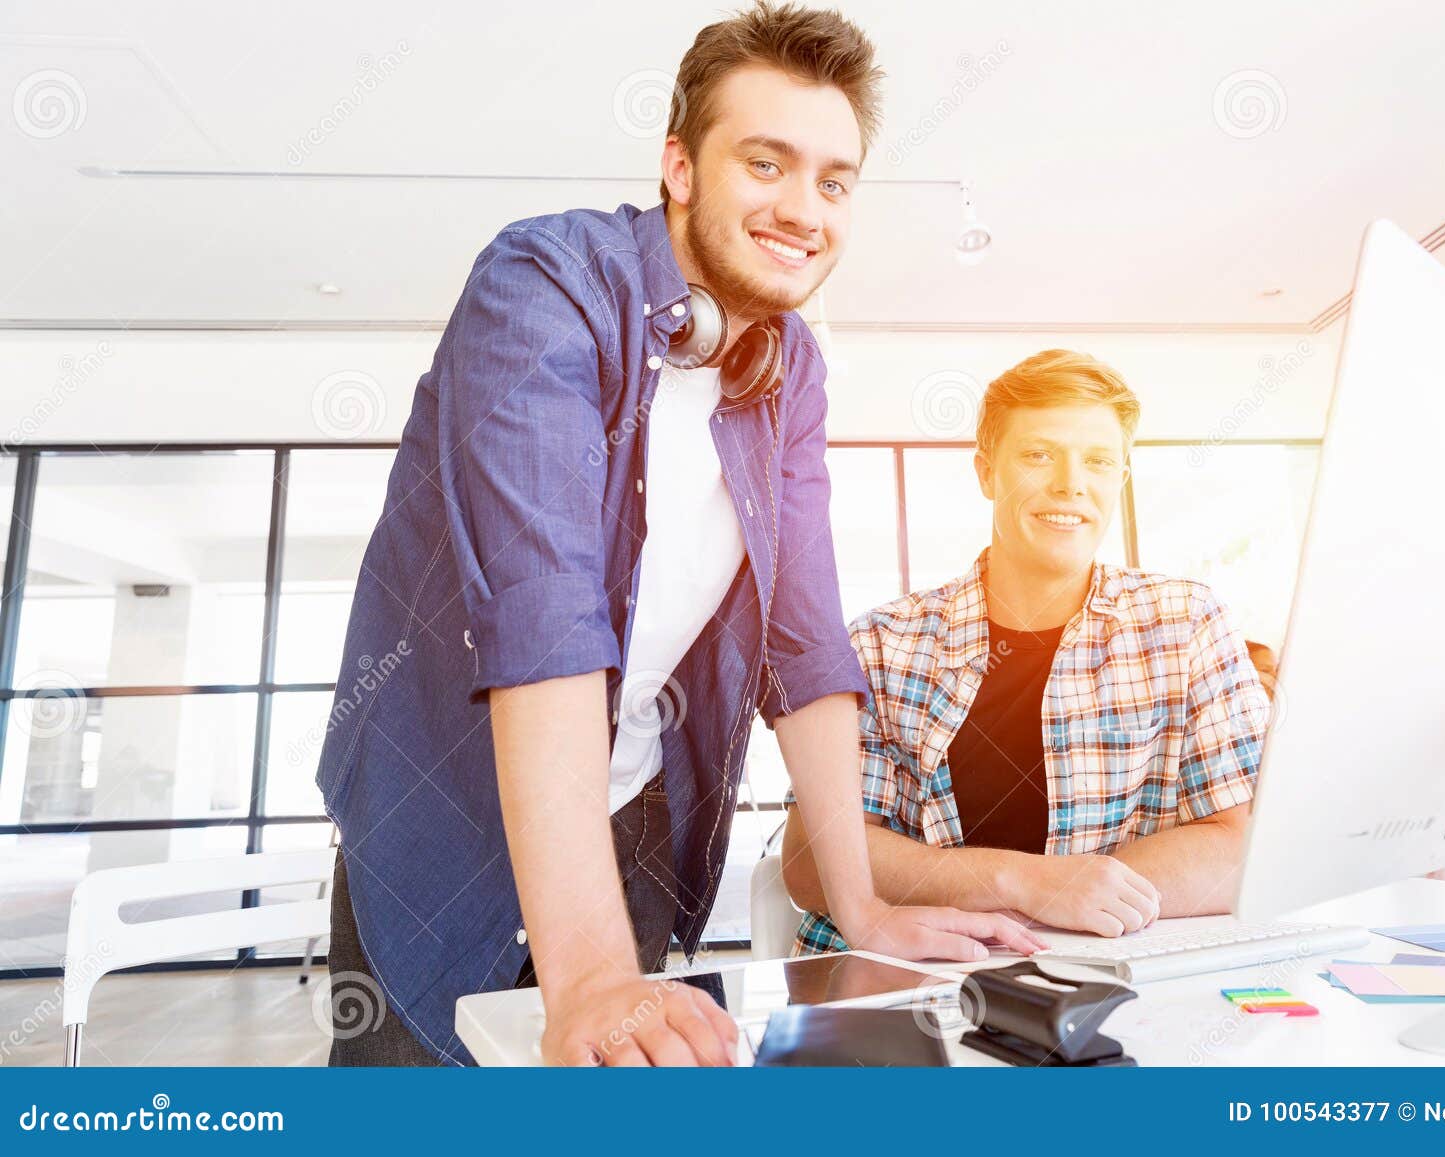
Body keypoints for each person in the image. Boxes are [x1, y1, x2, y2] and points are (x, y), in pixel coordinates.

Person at [316, 2, 1036, 1067]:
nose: (804, 210)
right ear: (680, 168)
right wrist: (590, 974)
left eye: (834, 182)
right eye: (766, 163)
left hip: (633, 817)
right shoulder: (542, 284)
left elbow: (804, 642)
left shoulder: (790, 367)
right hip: (445, 812)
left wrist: (864, 906)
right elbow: (543, 609)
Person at [782, 349, 1271, 951]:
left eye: (1097, 460)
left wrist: (1083, 902)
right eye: (1039, 455)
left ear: (1119, 479)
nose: (1071, 483)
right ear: (987, 473)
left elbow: (1245, 845)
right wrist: (1026, 882)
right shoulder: (881, 643)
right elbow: (808, 863)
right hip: (910, 978)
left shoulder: (1188, 622)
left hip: (1104, 978)